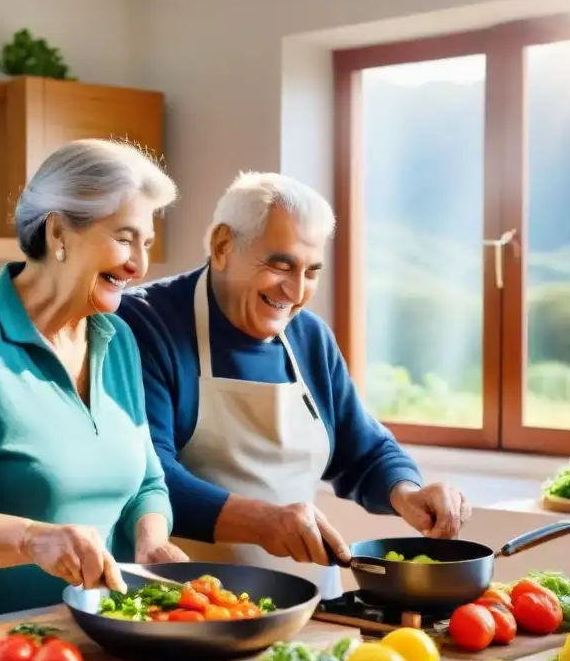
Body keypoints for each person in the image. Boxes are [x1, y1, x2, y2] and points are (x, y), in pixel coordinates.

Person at [117, 172, 470, 599]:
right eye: (280, 265)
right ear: (223, 246)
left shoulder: (309, 337)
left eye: (311, 271)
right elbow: (146, 474)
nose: (296, 291)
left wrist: (408, 494)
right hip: (190, 606)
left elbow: (365, 451)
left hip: (313, 605)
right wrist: (265, 521)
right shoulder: (143, 325)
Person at [0, 139, 188, 630]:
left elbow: (147, 481)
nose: (139, 264)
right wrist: (32, 539)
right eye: (125, 238)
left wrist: (150, 538)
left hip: (89, 626)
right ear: (58, 232)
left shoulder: (119, 339)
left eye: (146, 243)